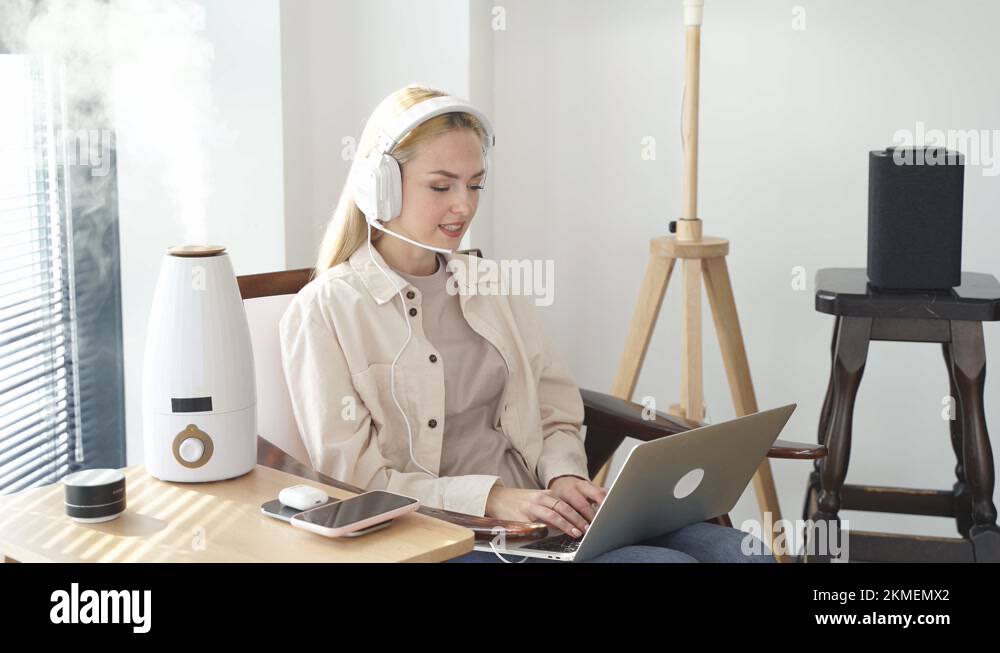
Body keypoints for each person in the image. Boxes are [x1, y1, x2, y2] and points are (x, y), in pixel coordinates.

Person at [279, 84, 772, 563]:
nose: (464, 206)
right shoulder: (325, 311)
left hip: (539, 515)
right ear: (379, 187)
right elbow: (350, 480)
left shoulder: (493, 286)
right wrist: (493, 499)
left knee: (737, 551)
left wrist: (562, 479)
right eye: (441, 185)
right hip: (444, 533)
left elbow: (555, 411)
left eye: (475, 185)